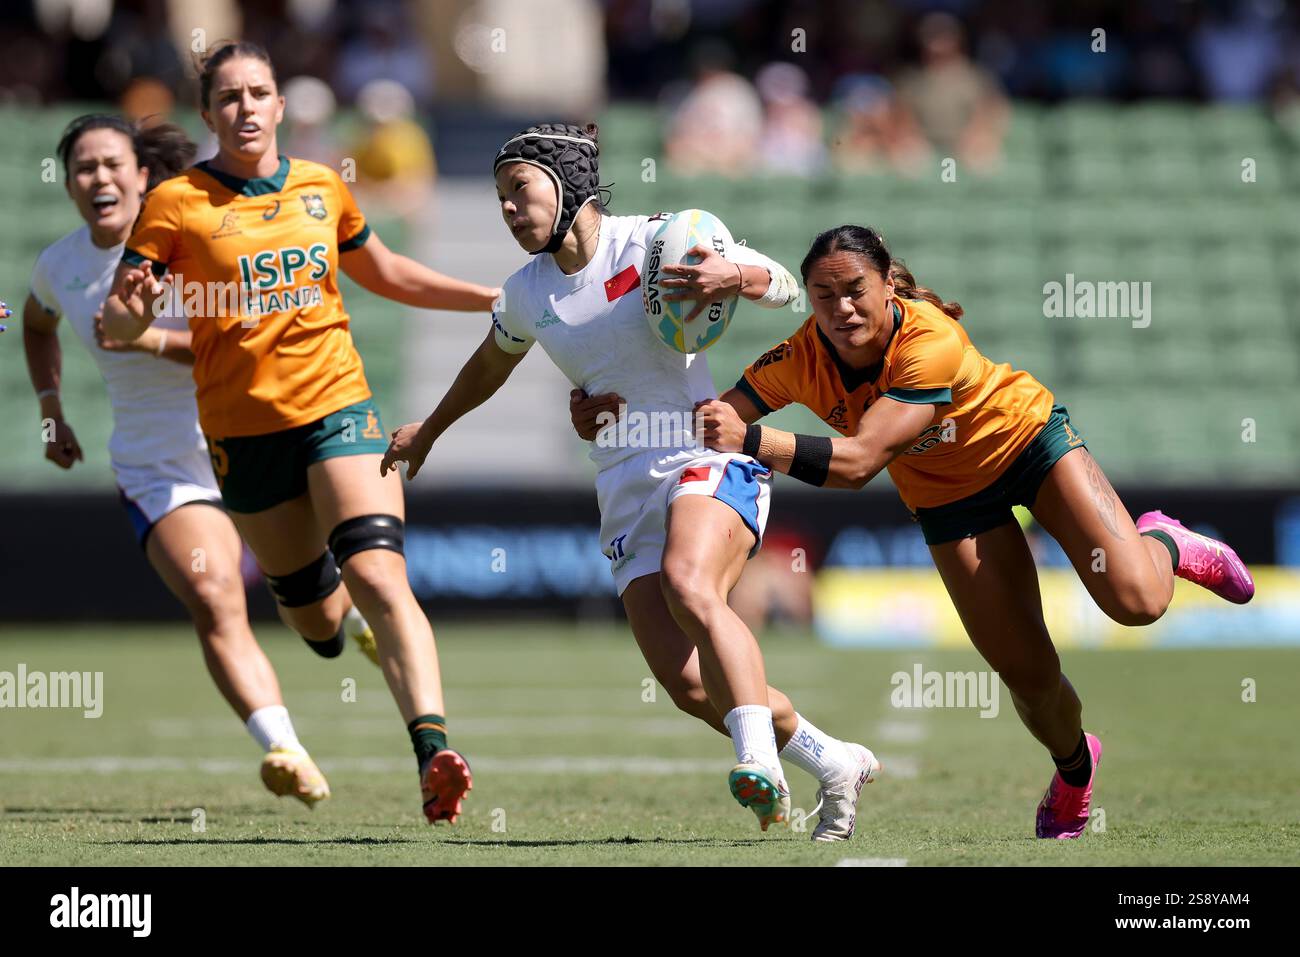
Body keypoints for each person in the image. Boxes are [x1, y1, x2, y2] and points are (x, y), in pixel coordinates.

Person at [382, 123, 879, 840]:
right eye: (498, 198)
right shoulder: (526, 293)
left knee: (690, 584)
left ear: (566, 184)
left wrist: (731, 275)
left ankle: (759, 765)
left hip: (705, 452)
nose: (508, 209)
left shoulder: (656, 240)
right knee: (686, 683)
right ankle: (831, 758)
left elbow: (790, 289)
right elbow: (489, 367)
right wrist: (429, 429)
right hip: (622, 479)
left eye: (518, 190)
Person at [689, 224, 1254, 838]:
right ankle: (1073, 771)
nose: (842, 308)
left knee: (1138, 602)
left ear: (887, 287)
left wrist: (749, 439)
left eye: (856, 289)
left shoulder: (928, 337)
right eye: (824, 295)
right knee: (1031, 680)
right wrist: (614, 412)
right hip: (950, 502)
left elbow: (858, 462)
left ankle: (1168, 541)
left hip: (1028, 444)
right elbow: (712, 417)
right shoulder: (799, 358)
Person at [101, 41, 500, 825]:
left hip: (339, 408)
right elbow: (119, 319)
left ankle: (433, 752)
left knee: (384, 577)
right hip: (243, 435)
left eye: (259, 92)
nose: (246, 107)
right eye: (229, 97)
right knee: (315, 621)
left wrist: (490, 297)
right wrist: (136, 307)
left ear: (280, 105)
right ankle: (336, 623)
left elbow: (385, 272)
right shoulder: (175, 202)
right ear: (208, 113)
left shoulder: (323, 187)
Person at [21, 113, 373, 807]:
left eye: (112, 164)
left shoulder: (195, 240)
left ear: (143, 174)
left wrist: (146, 338)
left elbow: (240, 344)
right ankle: (284, 746)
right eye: (84, 168)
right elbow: (34, 324)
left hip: (248, 442)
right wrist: (50, 408)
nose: (99, 178)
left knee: (321, 623)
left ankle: (352, 620)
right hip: (164, 471)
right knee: (215, 597)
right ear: (67, 185)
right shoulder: (59, 264)